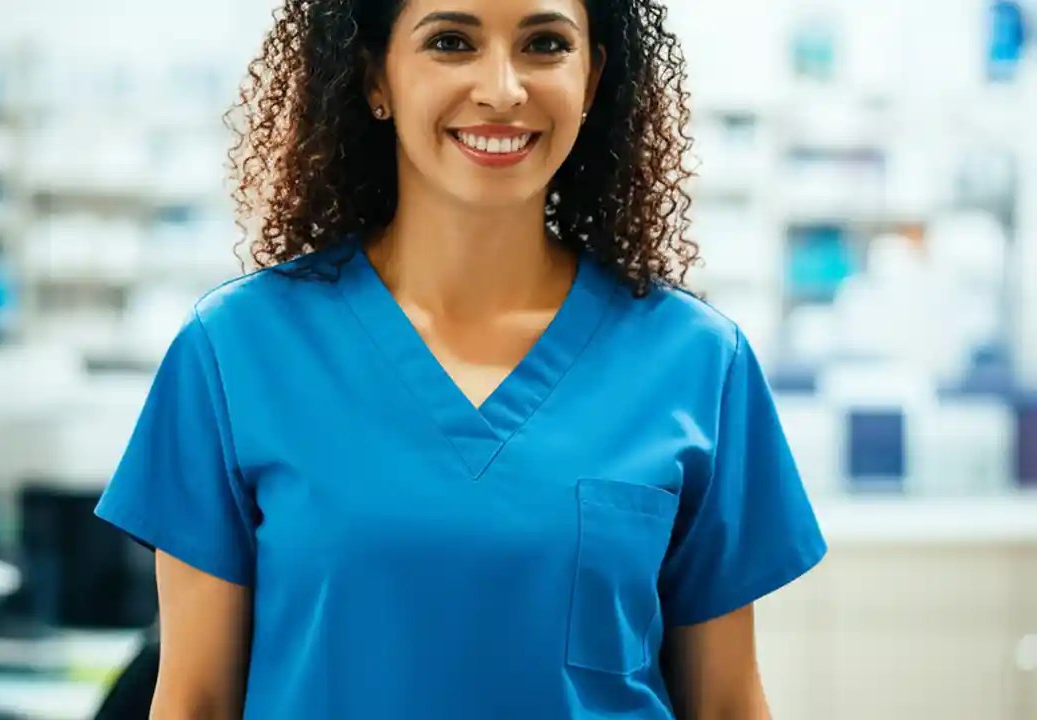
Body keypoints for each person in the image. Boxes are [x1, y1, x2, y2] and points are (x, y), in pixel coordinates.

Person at [94, 0, 828, 717]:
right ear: (376, 77)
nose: (503, 89)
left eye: (545, 44)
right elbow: (194, 701)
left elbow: (727, 701)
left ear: (593, 79)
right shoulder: (237, 351)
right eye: (451, 42)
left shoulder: (697, 362)